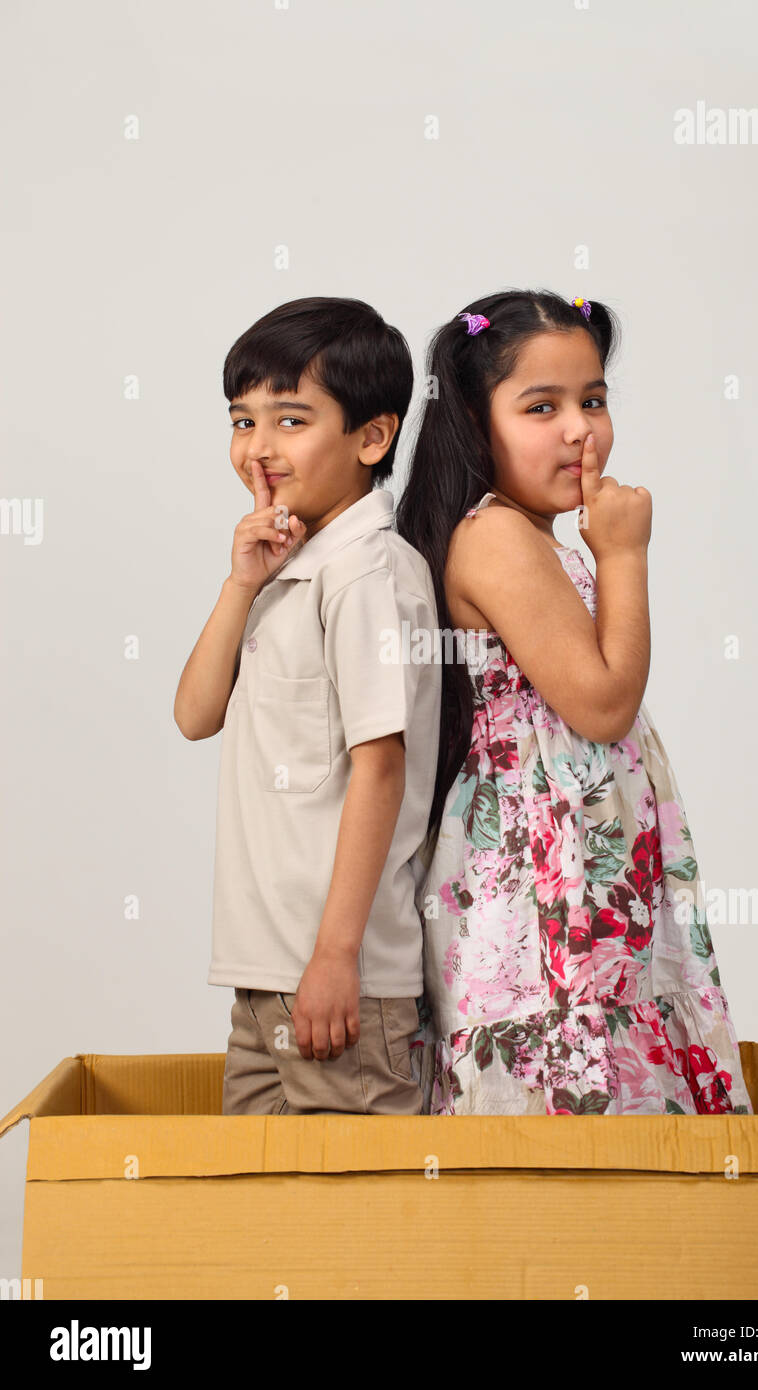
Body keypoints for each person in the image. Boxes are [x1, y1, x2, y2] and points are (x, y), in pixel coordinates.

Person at [395, 288, 753, 1116]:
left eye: (592, 399)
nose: (579, 429)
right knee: (563, 1087)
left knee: (616, 1077)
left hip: (587, 876)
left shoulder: (536, 537)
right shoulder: (493, 538)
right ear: (474, 424)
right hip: (539, 888)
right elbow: (600, 704)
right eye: (541, 406)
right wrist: (625, 553)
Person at [174, 296, 442, 1115]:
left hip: (342, 983)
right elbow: (193, 714)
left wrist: (336, 957)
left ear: (372, 437)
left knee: (358, 1236)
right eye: (242, 420)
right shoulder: (288, 567)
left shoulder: (367, 574)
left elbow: (382, 768)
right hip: (265, 978)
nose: (259, 447)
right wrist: (240, 583)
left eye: (290, 420)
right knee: (267, 1234)